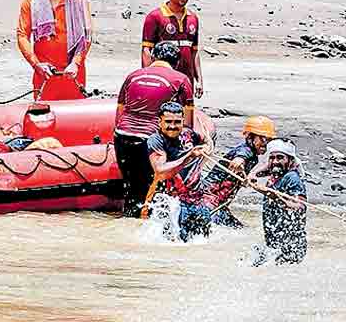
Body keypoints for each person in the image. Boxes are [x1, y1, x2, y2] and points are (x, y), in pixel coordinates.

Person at [114, 41, 195, 216]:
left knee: (130, 188)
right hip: (151, 140)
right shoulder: (181, 79)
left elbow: (120, 110)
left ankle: (128, 221)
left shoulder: (133, 75)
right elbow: (187, 124)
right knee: (153, 190)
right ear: (177, 62)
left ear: (152, 57)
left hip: (122, 135)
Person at [17, 0, 93, 96]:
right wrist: (36, 64)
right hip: (44, 73)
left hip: (73, 73)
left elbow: (86, 37)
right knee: (43, 109)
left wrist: (76, 63)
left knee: (74, 109)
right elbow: (22, 36)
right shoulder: (30, 2)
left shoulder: (79, 2)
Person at [146, 102, 209, 240]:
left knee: (203, 242)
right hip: (169, 202)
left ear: (182, 121)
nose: (173, 126)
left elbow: (206, 142)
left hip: (196, 199)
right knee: (170, 244)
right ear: (159, 122)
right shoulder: (156, 141)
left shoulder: (189, 134)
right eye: (168, 122)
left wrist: (206, 148)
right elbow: (160, 172)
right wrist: (189, 156)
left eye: (177, 122)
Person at [199, 116, 274, 228]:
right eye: (263, 139)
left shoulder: (254, 157)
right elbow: (241, 156)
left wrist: (249, 178)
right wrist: (239, 160)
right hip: (207, 200)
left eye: (269, 140)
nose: (266, 143)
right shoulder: (245, 150)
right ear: (250, 137)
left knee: (239, 229)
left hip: (220, 204)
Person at [141, 0, 203, 98]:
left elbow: (194, 52)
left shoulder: (193, 18)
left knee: (186, 109)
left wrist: (199, 80)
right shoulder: (155, 16)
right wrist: (148, 78)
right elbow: (146, 50)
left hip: (186, 80)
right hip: (163, 80)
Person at [250, 140, 308, 265]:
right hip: (273, 246)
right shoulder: (276, 174)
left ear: (290, 161)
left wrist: (272, 195)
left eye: (280, 157)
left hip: (290, 248)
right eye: (272, 158)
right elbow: (266, 168)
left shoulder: (292, 178)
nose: (275, 161)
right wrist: (253, 175)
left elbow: (299, 206)